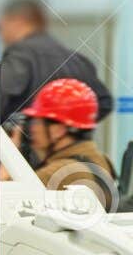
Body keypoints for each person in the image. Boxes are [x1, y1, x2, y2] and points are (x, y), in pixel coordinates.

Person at [0, 0, 112, 124]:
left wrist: (24, 128)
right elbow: (103, 102)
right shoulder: (77, 60)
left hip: (24, 144)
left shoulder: (20, 56)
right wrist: (69, 127)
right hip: (71, 144)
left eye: (1, 27)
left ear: (17, 21)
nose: (1, 35)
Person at [20, 78, 117, 211]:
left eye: (37, 122)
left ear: (58, 130)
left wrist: (9, 158)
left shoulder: (55, 173)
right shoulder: (101, 159)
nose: (32, 129)